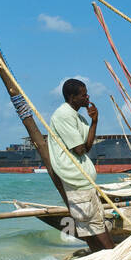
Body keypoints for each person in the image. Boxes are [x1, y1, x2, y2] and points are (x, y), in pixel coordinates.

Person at [49, 78, 115, 251]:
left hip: (83, 180)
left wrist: (94, 121)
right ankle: (113, 255)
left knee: (90, 224)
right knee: (95, 223)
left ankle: (99, 257)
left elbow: (87, 145)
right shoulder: (63, 115)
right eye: (83, 95)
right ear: (72, 97)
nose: (88, 97)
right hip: (77, 178)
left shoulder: (78, 117)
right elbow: (79, 149)